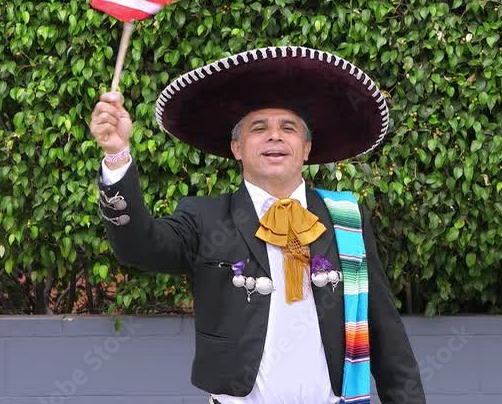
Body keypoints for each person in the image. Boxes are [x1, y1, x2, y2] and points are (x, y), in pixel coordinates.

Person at [89, 45, 426, 403]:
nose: (274, 136)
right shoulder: (205, 219)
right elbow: (138, 247)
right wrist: (116, 154)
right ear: (236, 147)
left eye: (289, 128)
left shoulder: (345, 221)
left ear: (307, 147)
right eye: (258, 127)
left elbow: (390, 345)